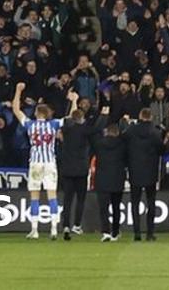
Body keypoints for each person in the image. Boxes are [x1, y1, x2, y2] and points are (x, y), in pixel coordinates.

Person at [12, 83, 64, 240]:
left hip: (35, 163)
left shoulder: (31, 125)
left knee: (34, 196)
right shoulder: (53, 124)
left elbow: (16, 109)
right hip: (49, 163)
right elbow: (70, 118)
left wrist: (18, 91)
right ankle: (54, 229)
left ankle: (34, 230)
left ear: (36, 113)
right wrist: (73, 100)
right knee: (52, 195)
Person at [59, 92, 97, 239]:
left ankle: (66, 225)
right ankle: (76, 225)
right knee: (80, 199)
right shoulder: (85, 129)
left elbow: (68, 119)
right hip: (81, 170)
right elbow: (96, 128)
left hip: (67, 169)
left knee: (67, 199)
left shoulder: (66, 130)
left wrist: (73, 101)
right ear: (82, 119)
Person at [124, 107, 164, 241]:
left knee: (135, 202)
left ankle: (136, 233)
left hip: (135, 171)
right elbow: (161, 150)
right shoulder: (155, 132)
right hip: (151, 171)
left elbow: (124, 143)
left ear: (140, 116)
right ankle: (150, 233)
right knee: (151, 202)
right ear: (151, 117)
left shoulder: (131, 130)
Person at [91, 107, 128, 242]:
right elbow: (127, 134)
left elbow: (94, 132)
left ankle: (106, 232)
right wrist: (125, 122)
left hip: (102, 181)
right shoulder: (123, 144)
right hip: (117, 180)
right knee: (116, 208)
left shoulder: (99, 144)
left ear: (106, 132)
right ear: (117, 133)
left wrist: (102, 117)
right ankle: (115, 232)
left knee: (104, 209)